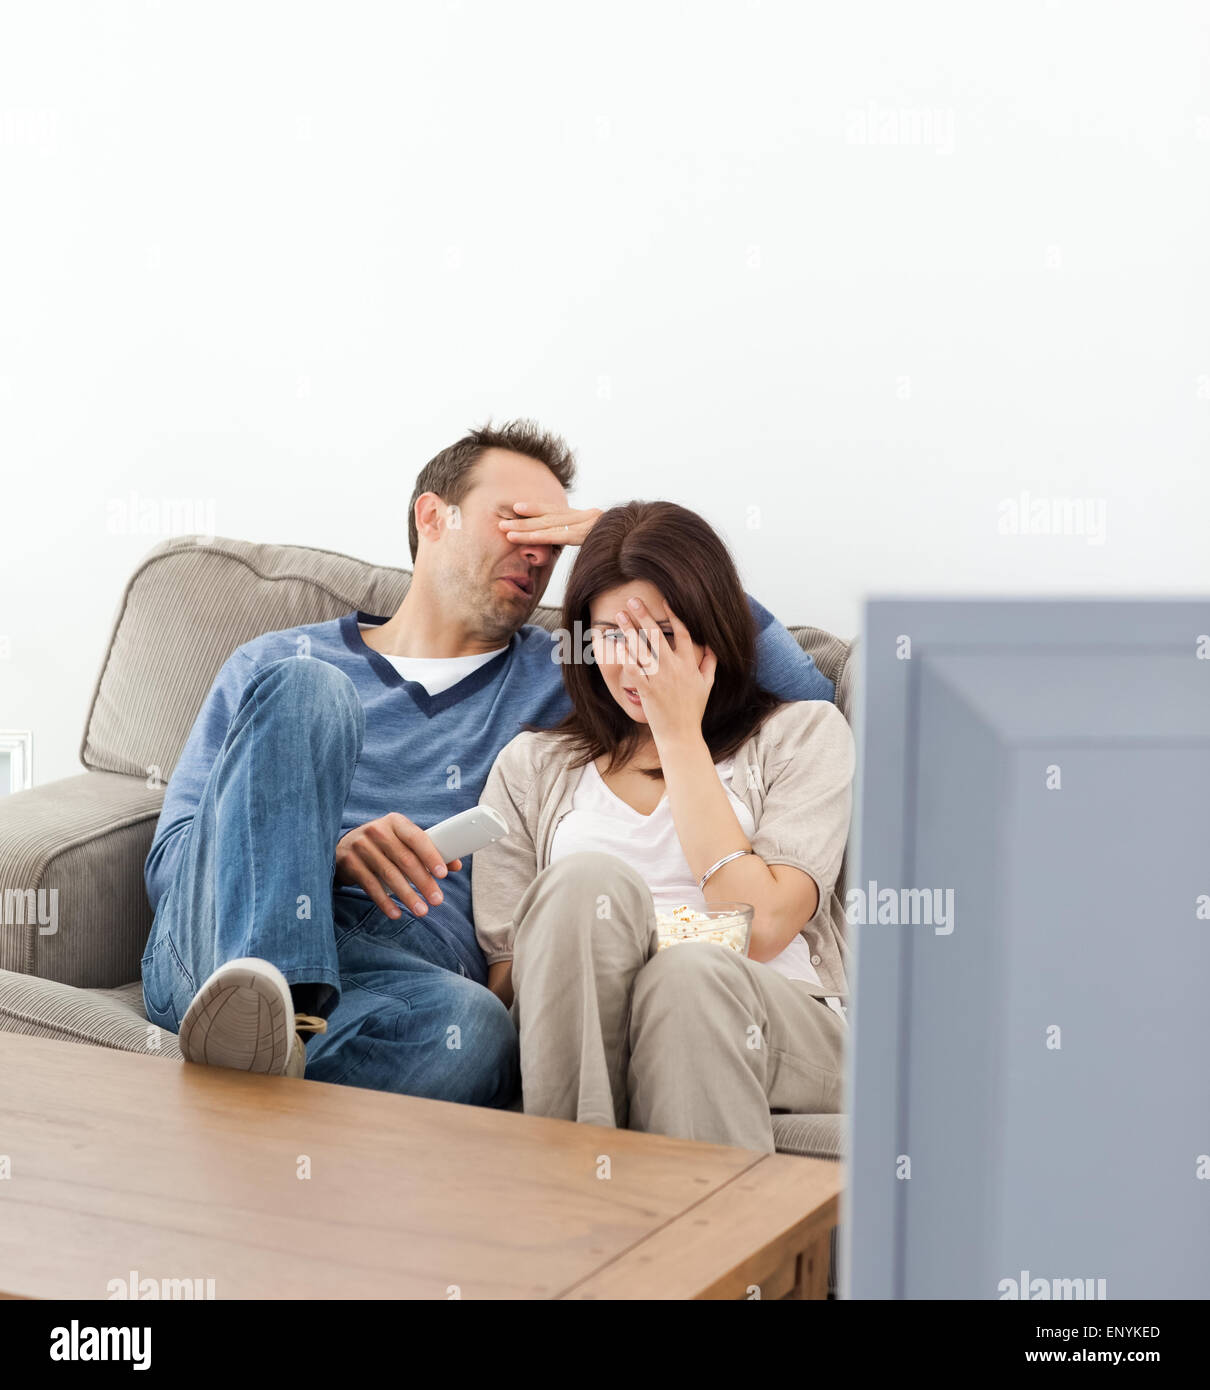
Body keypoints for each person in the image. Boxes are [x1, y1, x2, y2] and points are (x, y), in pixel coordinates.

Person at [140, 422, 836, 1105]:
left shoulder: (571, 672)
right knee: (309, 690)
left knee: (477, 1033)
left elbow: (787, 690)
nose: (537, 554)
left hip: (397, 973)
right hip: (220, 948)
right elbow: (173, 864)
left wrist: (620, 536)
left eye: (552, 540)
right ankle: (270, 1004)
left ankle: (270, 1068)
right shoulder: (278, 660)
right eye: (517, 522)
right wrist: (316, 854)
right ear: (432, 516)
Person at [471, 500, 853, 1151]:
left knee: (687, 976)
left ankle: (703, 1250)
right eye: (614, 637)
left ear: (711, 634)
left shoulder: (803, 735)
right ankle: (582, 1195)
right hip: (598, 1027)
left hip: (775, 1015)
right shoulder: (530, 767)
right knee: (585, 883)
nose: (634, 664)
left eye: (661, 636)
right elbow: (514, 976)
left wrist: (680, 735)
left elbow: (760, 925)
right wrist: (611, 934)